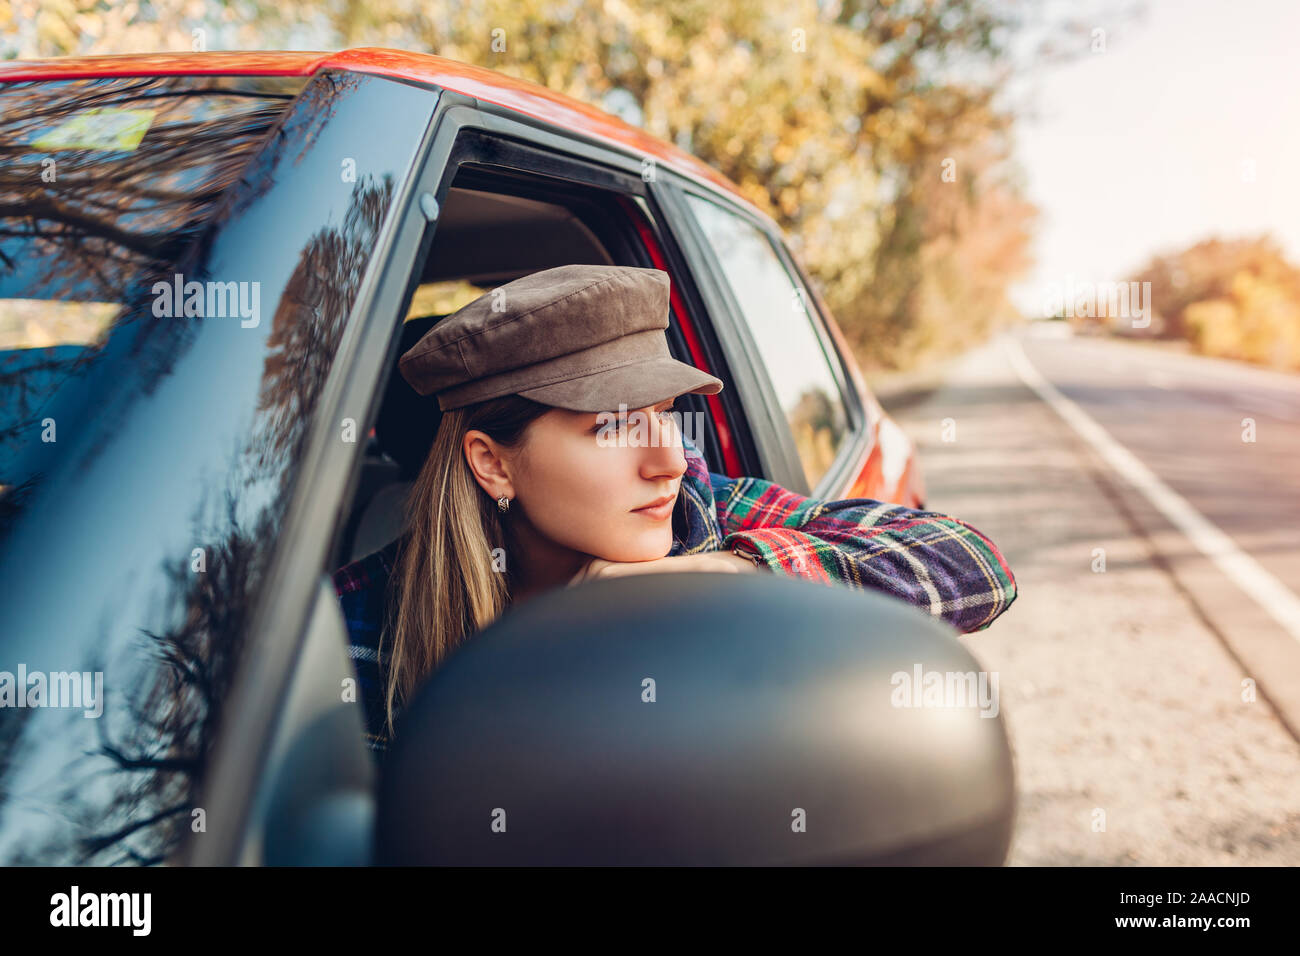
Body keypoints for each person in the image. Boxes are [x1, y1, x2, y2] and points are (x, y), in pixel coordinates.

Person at [333, 264, 1018, 758]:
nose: (669, 462)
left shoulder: (716, 513)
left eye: (664, 416)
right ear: (492, 462)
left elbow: (976, 563)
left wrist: (721, 577)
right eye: (611, 428)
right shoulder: (352, 625)